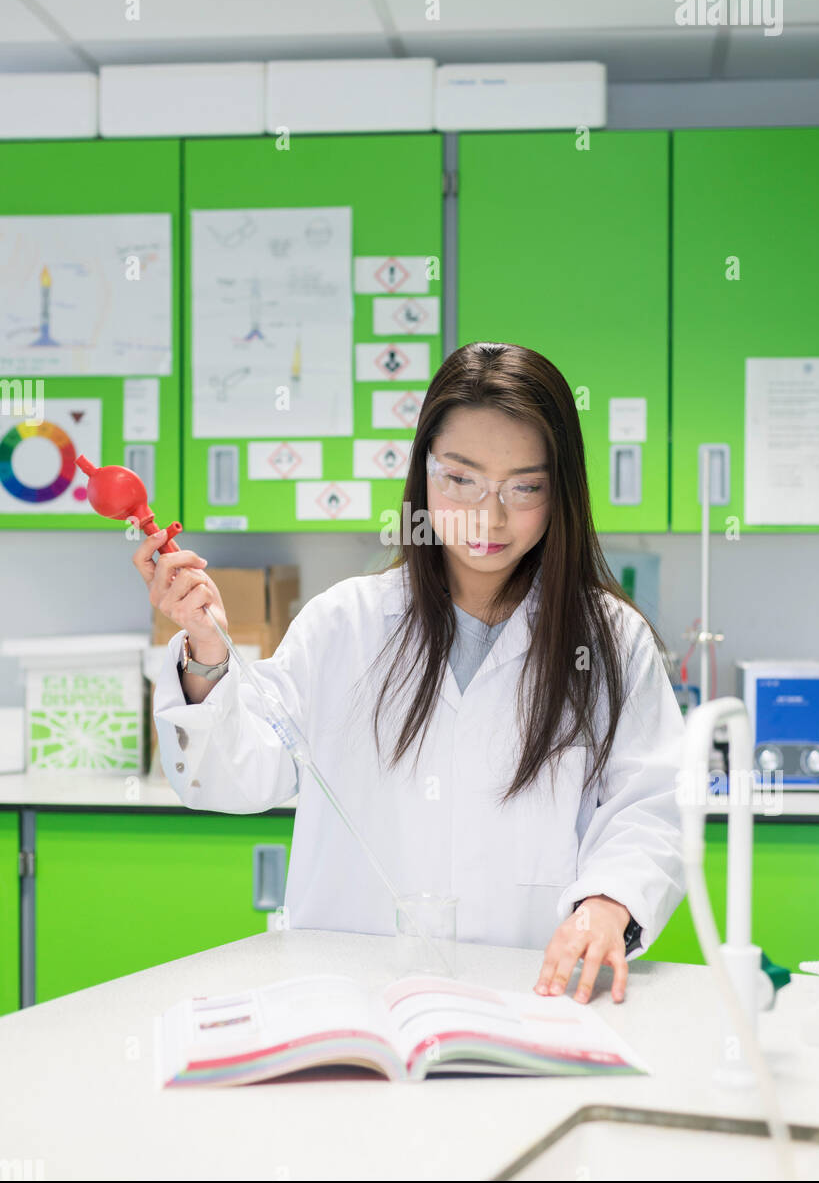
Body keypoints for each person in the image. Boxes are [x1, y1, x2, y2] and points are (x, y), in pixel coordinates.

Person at [139, 342, 685, 1004]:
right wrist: (205, 651)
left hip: (530, 999)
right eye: (460, 479)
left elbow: (650, 809)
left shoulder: (608, 640)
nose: (490, 515)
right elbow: (232, 776)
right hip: (351, 999)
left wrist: (605, 904)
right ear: (422, 473)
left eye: (524, 487)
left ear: (560, 488)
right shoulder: (346, 623)